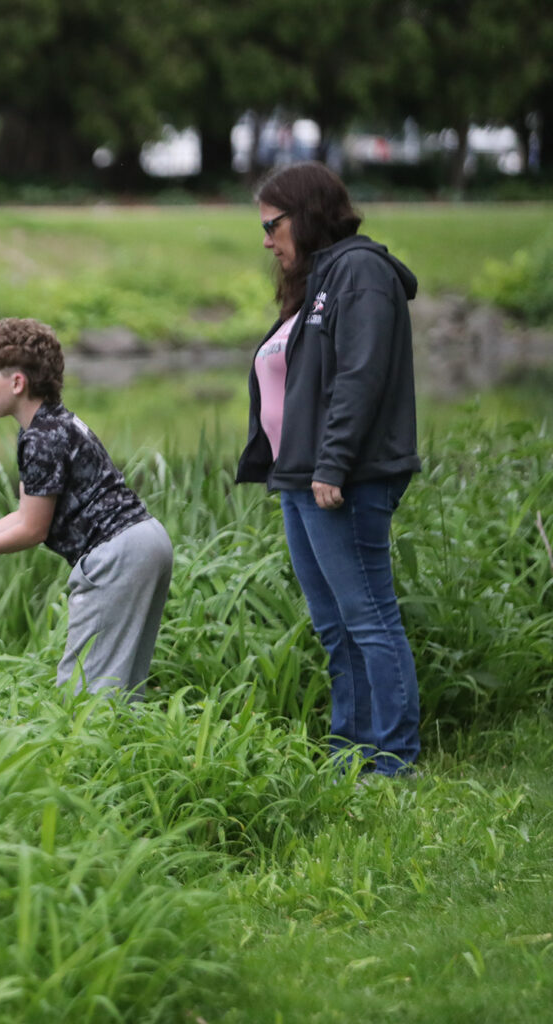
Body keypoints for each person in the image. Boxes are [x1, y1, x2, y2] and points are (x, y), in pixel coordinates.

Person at [236, 161, 422, 777]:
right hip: (301, 477)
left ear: (306, 213)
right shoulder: (319, 278)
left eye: (272, 224)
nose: (266, 239)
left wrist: (333, 464)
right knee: (335, 625)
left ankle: (394, 760)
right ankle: (351, 747)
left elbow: (359, 378)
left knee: (369, 617)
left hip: (344, 477)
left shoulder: (361, 273)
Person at [0, 317, 174, 699]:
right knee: (122, 688)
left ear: (17, 382)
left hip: (117, 553)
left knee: (84, 695)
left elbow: (32, 530)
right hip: (146, 540)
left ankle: (87, 757)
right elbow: (25, 514)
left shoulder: (41, 438)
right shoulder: (52, 424)